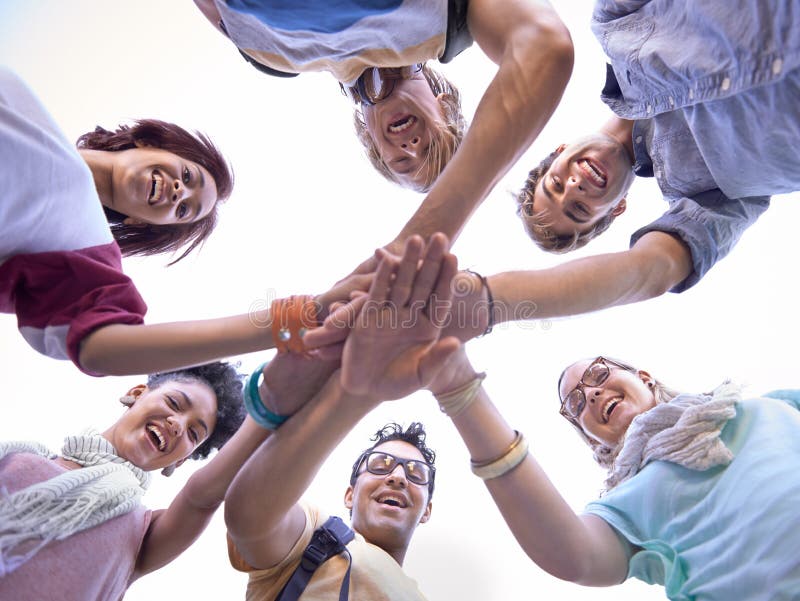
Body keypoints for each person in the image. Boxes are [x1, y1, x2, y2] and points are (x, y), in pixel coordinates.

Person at [0, 68, 370, 377]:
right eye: (190, 177)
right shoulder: (26, 108)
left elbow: (105, 347)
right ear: (150, 143)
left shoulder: (83, 249)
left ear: (140, 222)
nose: (180, 192)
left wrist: (300, 316)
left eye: (183, 211)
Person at [412, 348, 800, 600]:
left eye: (597, 374)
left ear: (644, 377)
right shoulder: (624, 502)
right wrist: (460, 389)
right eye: (576, 403)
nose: (592, 394)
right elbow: (573, 554)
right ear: (592, 437)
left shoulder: (771, 405)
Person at [194, 0, 573, 244]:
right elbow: (545, 46)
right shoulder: (453, 20)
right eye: (432, 146)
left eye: (402, 161)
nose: (411, 145)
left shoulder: (273, 57)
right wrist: (435, 228)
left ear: (370, 140)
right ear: (444, 106)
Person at [224, 233, 461, 599]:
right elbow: (250, 518)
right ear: (350, 494)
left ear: (427, 510)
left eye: (416, 474)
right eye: (381, 464)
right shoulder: (315, 535)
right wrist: (355, 392)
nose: (397, 477)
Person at [513, 0, 798, 295]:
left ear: (561, 149)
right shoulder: (703, 199)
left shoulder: (613, 25)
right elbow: (651, 268)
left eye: (556, 184)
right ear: (616, 210)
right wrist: (496, 302)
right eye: (579, 210)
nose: (573, 189)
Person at [0, 361, 276, 601]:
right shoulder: (17, 456)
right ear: (135, 394)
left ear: (179, 461)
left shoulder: (146, 533)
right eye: (174, 403)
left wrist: (276, 404)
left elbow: (203, 497)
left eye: (193, 434)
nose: (178, 424)